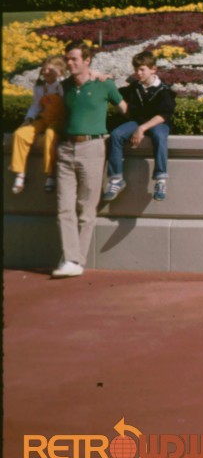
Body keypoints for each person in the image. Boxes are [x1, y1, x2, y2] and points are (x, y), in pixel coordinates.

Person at [52, 40, 127, 279]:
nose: (69, 63)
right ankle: (72, 259)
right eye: (68, 59)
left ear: (87, 60)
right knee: (64, 208)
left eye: (74, 58)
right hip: (65, 149)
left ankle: (75, 260)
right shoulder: (64, 86)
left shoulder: (104, 85)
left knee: (86, 208)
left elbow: (125, 108)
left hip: (93, 148)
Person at [103, 50, 176, 204]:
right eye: (136, 70)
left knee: (159, 136)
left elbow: (163, 115)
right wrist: (107, 81)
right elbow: (115, 95)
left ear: (153, 69)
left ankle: (161, 180)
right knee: (116, 135)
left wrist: (141, 129)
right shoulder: (135, 88)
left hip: (157, 123)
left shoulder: (164, 91)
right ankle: (116, 179)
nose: (138, 73)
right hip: (137, 122)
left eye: (142, 69)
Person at [10, 55, 67, 195]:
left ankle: (50, 174)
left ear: (59, 71)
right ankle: (20, 173)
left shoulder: (63, 85)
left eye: (50, 70)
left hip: (59, 120)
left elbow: (67, 102)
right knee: (20, 134)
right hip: (44, 118)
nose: (46, 72)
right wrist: (28, 118)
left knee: (50, 136)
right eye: (44, 69)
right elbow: (35, 106)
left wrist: (59, 78)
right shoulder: (40, 87)